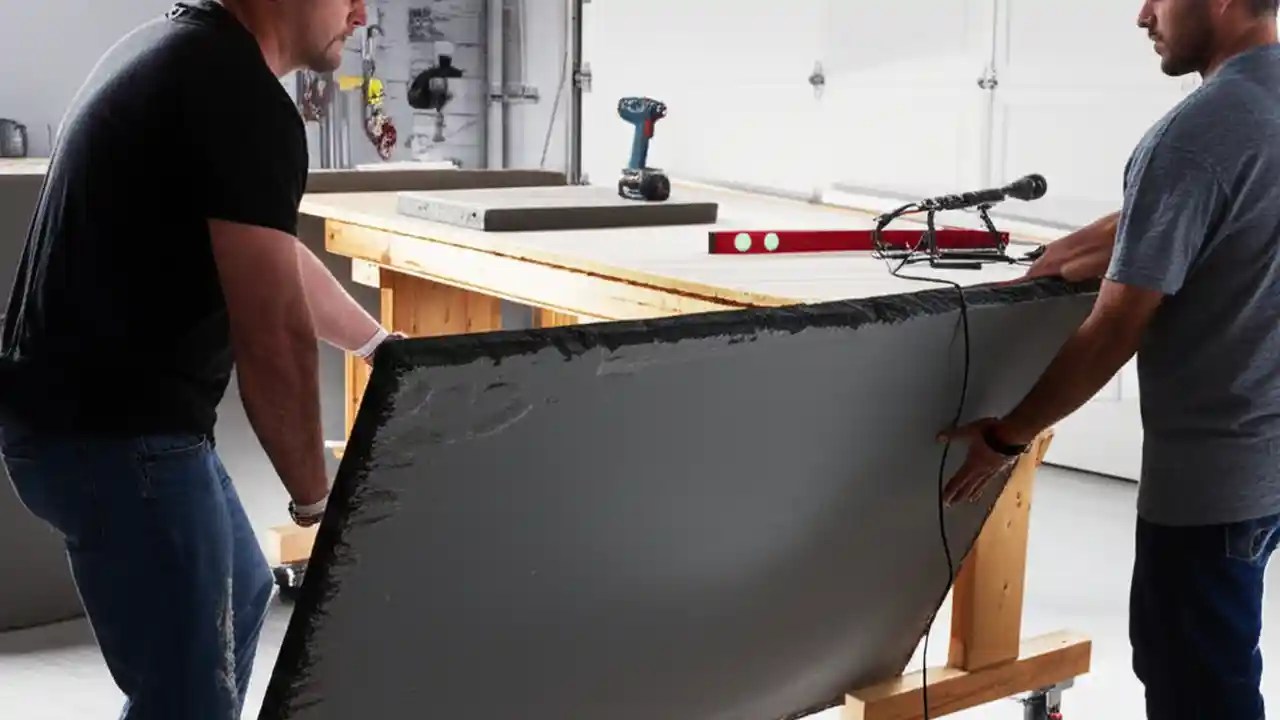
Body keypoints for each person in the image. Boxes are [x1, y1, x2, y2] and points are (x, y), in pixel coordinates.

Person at [0, 1, 397, 717]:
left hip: (94, 425)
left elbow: (273, 256)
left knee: (241, 595)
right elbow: (273, 341)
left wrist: (374, 344)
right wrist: (316, 499)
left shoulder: (184, 54)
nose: (362, 12)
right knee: (190, 695)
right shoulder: (232, 94)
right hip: (117, 441)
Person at [941, 0, 1280, 717]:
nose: (1143, 15)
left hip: (1216, 474)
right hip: (1270, 454)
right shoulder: (1261, 108)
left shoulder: (1198, 132)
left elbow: (1118, 321)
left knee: (1197, 683)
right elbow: (1184, 211)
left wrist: (1008, 435)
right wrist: (1060, 256)